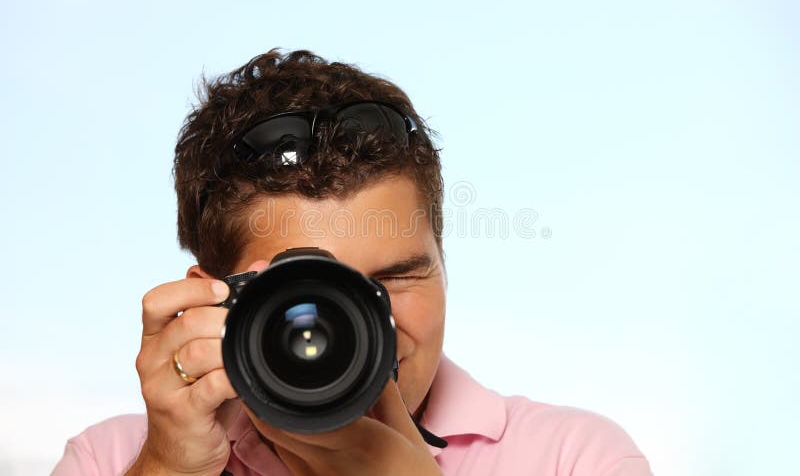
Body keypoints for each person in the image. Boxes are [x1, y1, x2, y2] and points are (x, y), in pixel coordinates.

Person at [52, 49, 652, 475]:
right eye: (307, 289)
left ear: (443, 264)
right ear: (209, 305)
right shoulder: (111, 462)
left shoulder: (575, 459)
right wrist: (170, 468)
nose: (364, 318)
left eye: (395, 277)